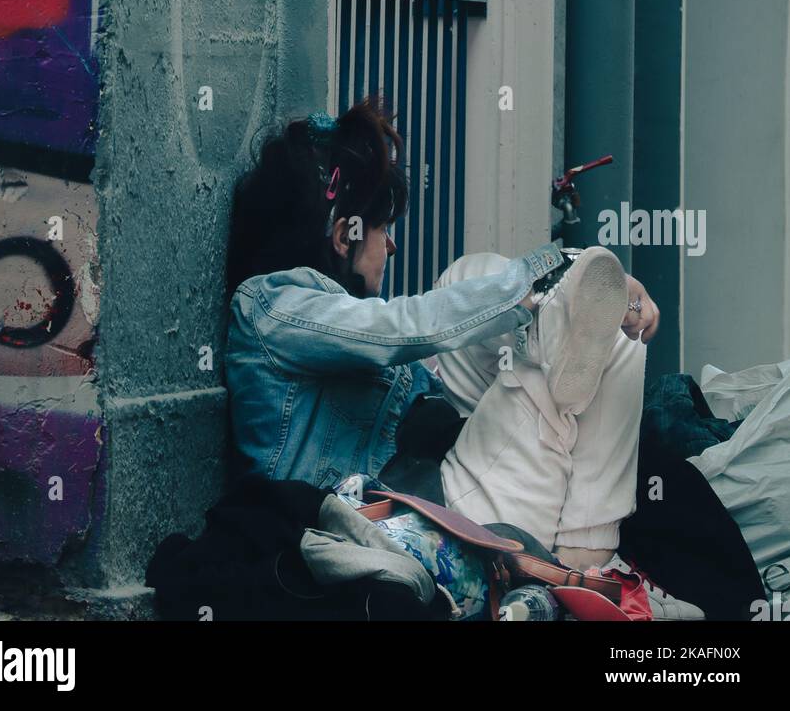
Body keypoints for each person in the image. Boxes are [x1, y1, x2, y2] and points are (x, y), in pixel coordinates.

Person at [225, 99, 659, 574]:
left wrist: (572, 283)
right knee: (590, 355)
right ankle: (590, 557)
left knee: (471, 274)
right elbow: (404, 328)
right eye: (382, 226)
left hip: (450, 472)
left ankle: (568, 313)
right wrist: (550, 274)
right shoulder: (272, 307)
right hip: (437, 517)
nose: (391, 244)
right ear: (342, 234)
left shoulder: (317, 313)